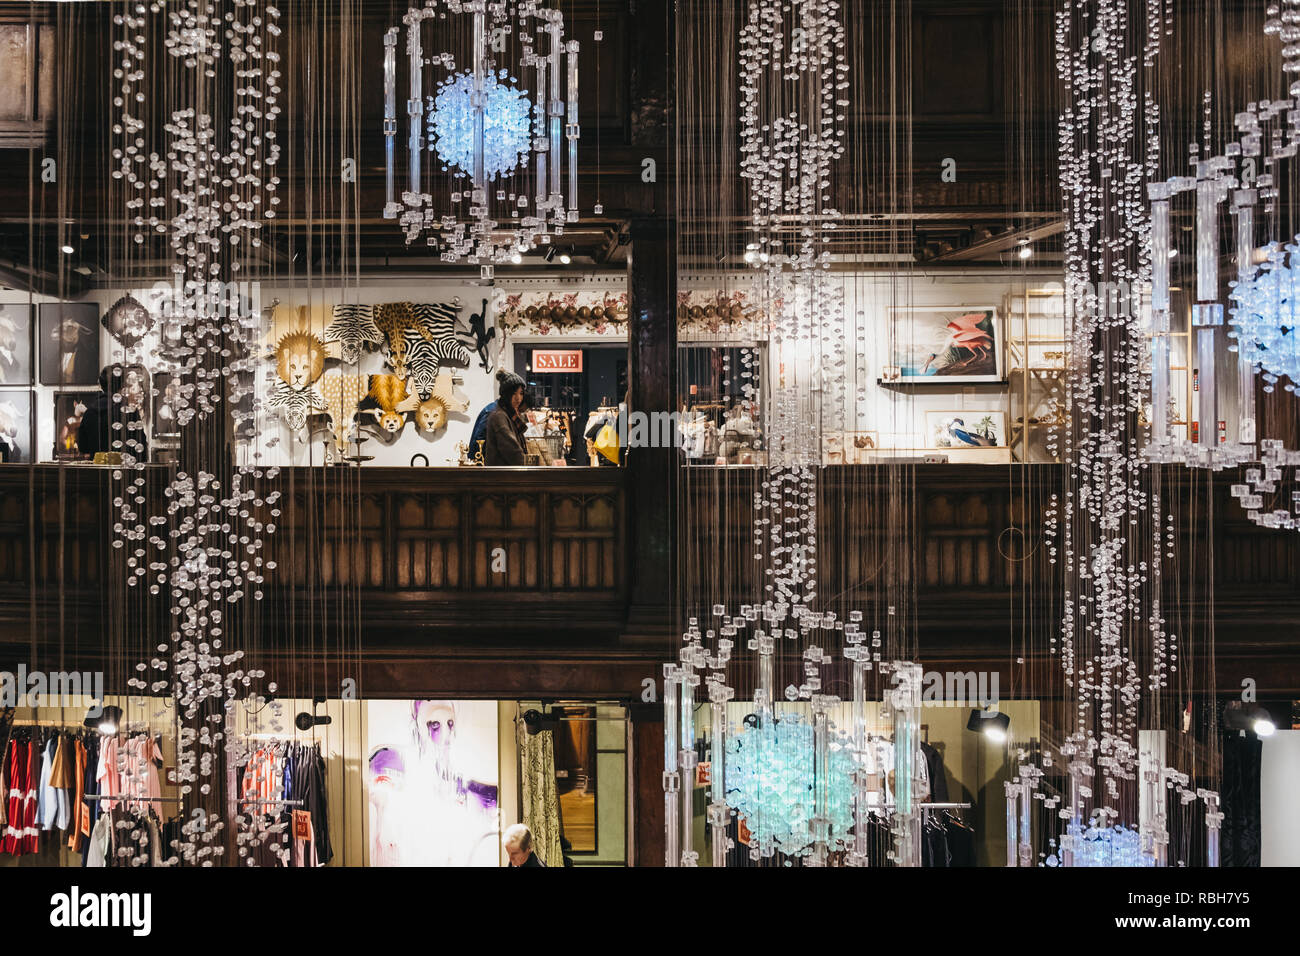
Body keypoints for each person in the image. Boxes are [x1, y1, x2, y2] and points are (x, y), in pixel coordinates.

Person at [78, 364, 149, 462]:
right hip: (125, 471)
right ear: (122, 384)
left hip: (97, 471)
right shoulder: (129, 411)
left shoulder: (89, 412)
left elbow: (83, 447)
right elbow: (141, 447)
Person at [482, 370, 529, 466]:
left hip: (507, 476)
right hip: (501, 477)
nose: (518, 398)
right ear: (506, 394)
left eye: (521, 393)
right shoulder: (499, 416)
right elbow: (513, 452)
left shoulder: (511, 415)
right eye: (514, 393)